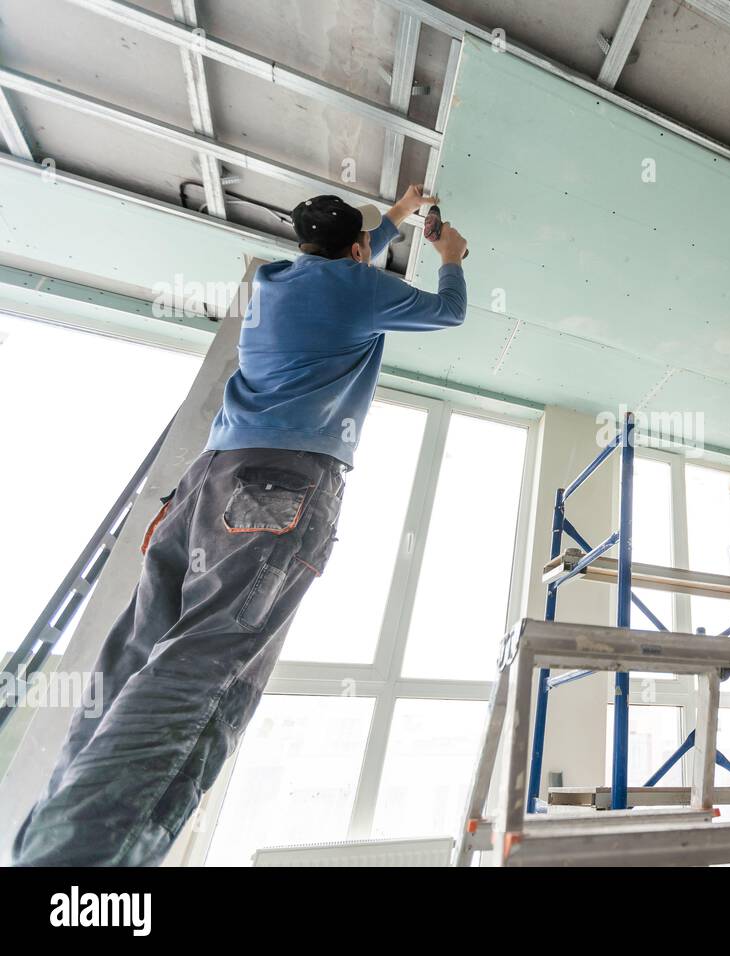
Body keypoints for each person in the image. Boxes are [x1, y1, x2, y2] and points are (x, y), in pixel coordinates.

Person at [12, 187, 469, 865]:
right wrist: (452, 258)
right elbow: (450, 311)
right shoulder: (354, 286)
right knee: (202, 666)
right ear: (352, 251)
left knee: (139, 652)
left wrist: (395, 222)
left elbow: (349, 265)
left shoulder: (276, 282)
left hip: (206, 483)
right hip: (278, 486)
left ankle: (55, 835)